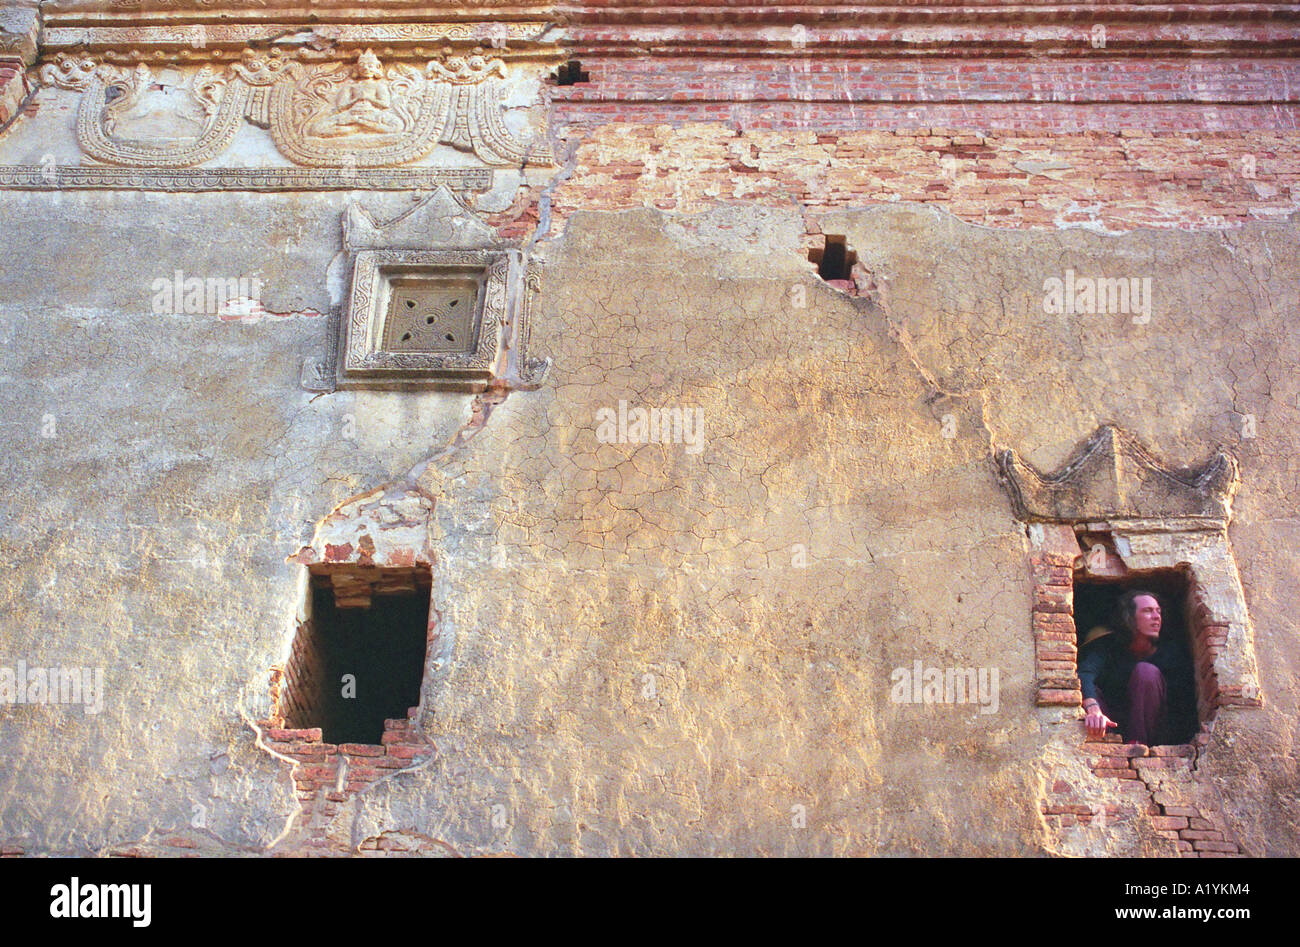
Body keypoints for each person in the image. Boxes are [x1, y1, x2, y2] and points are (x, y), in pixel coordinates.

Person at [1078, 589, 1194, 746]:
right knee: (1089, 689)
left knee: (1146, 672)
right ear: (1130, 618)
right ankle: (1105, 744)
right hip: (1111, 727)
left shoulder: (1171, 653)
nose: (1156, 617)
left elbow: (1182, 706)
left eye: (1158, 612)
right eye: (1148, 611)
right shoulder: (1106, 646)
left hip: (1154, 734)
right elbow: (1085, 674)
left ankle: (1138, 747)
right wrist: (1093, 709)